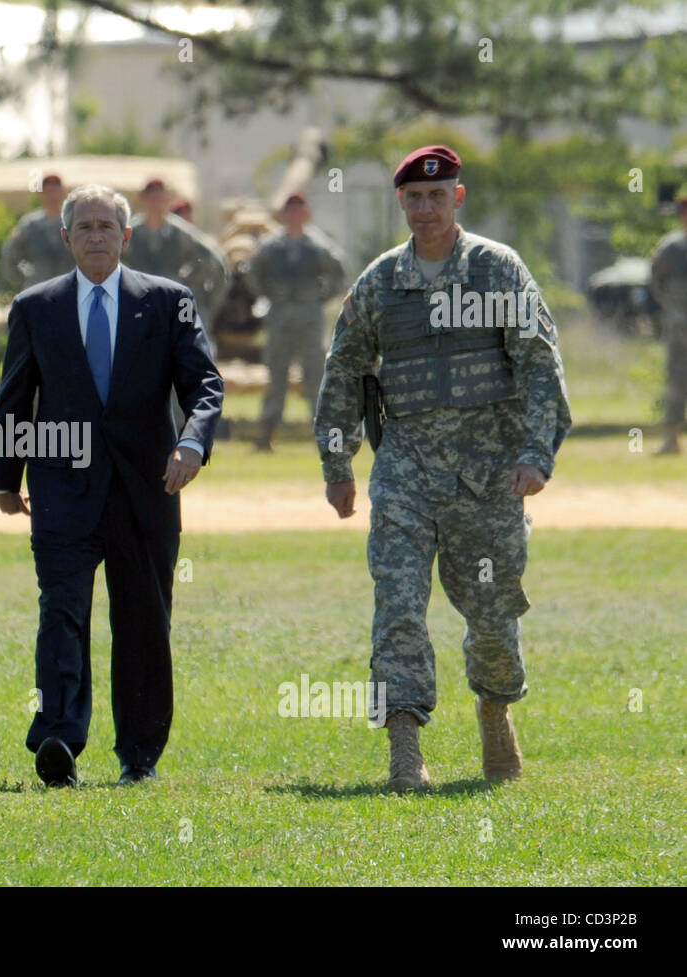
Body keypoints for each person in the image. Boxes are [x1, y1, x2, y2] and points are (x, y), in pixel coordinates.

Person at [314, 146, 571, 790]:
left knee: (491, 613)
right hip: (405, 470)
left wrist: (537, 454)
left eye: (438, 196)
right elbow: (344, 369)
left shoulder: (498, 270)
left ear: (457, 198)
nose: (425, 207)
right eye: (414, 197)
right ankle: (405, 749)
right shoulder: (379, 282)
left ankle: (494, 707)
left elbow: (540, 365)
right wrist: (337, 462)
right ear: (401, 202)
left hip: (489, 476)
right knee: (397, 602)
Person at [0, 184, 223, 786]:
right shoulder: (35, 306)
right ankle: (59, 741)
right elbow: (15, 393)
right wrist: (3, 477)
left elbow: (204, 386)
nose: (96, 236)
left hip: (147, 491)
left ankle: (138, 756)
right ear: (65, 238)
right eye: (84, 227)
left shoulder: (170, 302)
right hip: (61, 489)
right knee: (61, 612)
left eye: (106, 226)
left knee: (143, 620)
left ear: (127, 236)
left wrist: (191, 442)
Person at [245, 192, 347, 450]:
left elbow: (338, 272)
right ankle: (266, 434)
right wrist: (267, 294)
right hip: (279, 315)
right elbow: (252, 273)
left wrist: (321, 298)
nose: (294, 216)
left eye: (299, 210)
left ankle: (323, 434)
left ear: (306, 213)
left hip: (309, 315)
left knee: (315, 374)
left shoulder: (317, 245)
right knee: (276, 375)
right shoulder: (270, 246)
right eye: (289, 210)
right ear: (283, 214)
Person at [126, 178, 230, 347]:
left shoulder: (181, 233)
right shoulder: (129, 233)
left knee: (186, 349)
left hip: (173, 303)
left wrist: (205, 300)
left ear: (168, 199)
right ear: (142, 199)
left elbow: (216, 263)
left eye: (160, 197)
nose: (156, 202)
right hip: (137, 303)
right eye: (151, 197)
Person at [649, 191, 687, 454]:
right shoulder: (671, 247)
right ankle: (672, 439)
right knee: (676, 380)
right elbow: (656, 283)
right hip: (679, 324)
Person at [0, 174, 74, 291]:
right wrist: (22, 278)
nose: (52, 195)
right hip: (37, 289)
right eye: (47, 191)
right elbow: (10, 253)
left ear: (63, 192)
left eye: (55, 190)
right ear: (41, 194)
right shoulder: (30, 224)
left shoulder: (73, 223)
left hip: (70, 289)